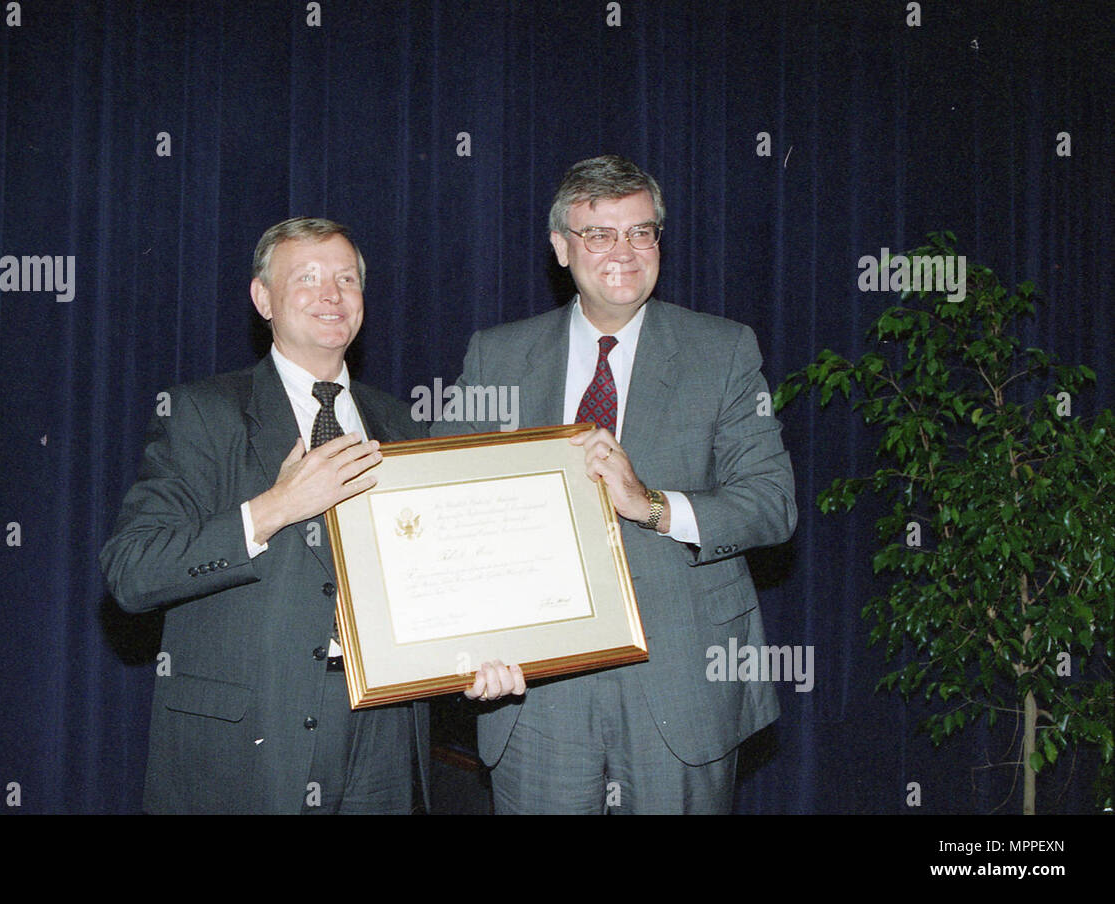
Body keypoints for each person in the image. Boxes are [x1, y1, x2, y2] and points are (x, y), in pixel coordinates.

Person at [433, 155, 797, 813]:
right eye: (599, 234)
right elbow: (440, 503)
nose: (623, 252)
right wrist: (462, 635)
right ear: (561, 248)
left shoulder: (723, 351)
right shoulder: (497, 355)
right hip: (536, 690)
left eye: (642, 232)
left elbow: (771, 507)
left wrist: (651, 505)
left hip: (682, 680)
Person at [100, 217, 434, 813]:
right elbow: (132, 572)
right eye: (307, 278)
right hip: (250, 743)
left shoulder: (401, 423)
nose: (332, 295)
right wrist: (277, 506)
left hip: (384, 733)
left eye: (346, 279)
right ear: (263, 299)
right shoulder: (204, 413)